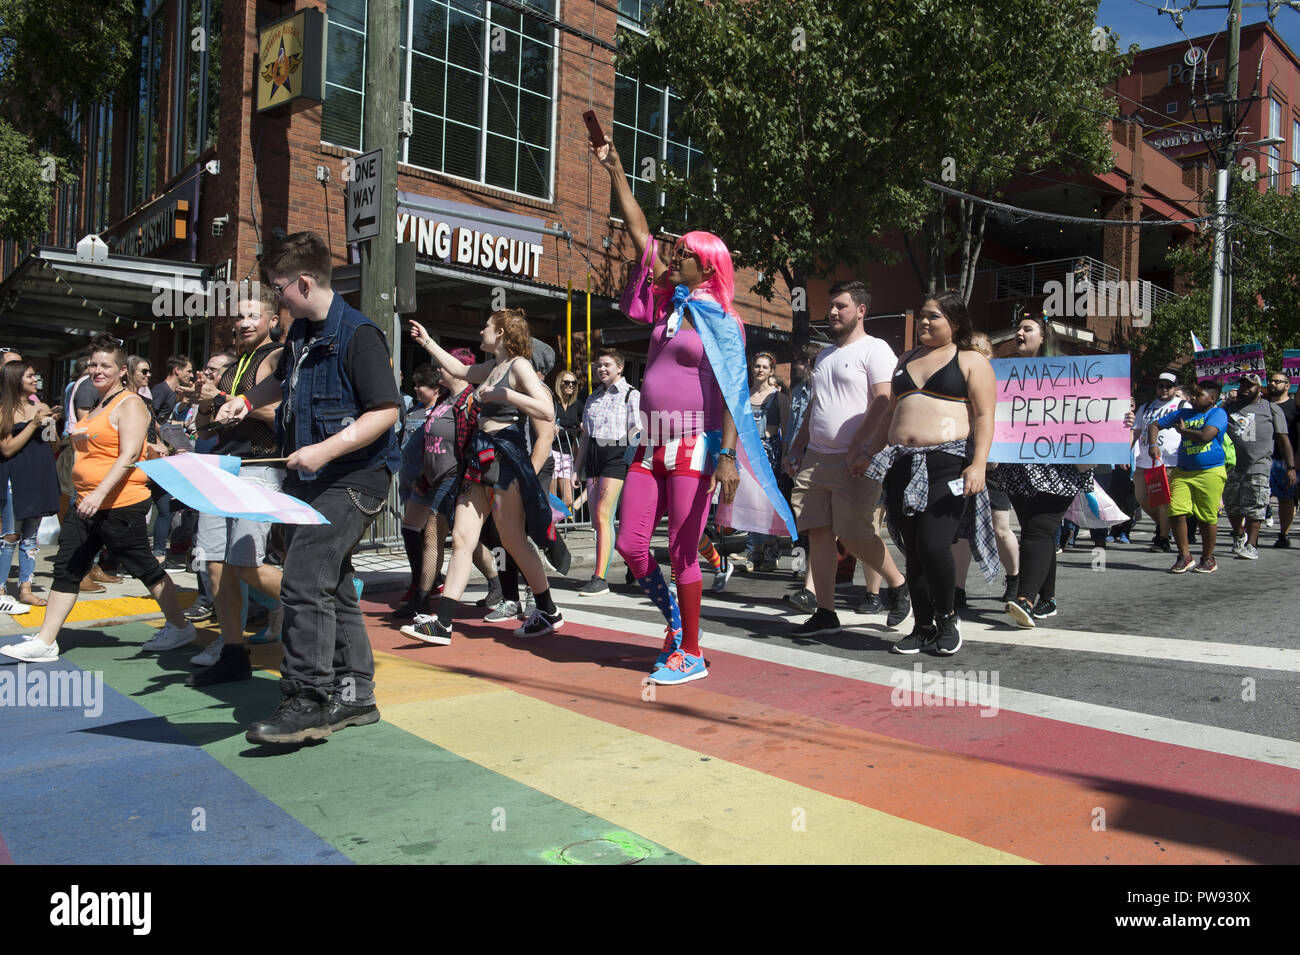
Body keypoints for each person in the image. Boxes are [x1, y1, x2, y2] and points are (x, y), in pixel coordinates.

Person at [594, 134, 792, 685]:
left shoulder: (726, 323)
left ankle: (693, 651)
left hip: (695, 442)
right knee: (632, 545)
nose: (672, 255)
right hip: (651, 438)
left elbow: (733, 391)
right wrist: (615, 170)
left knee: (683, 550)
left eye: (684, 253)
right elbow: (639, 233)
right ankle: (678, 626)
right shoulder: (670, 303)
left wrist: (727, 455)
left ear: (706, 267)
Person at [215, 232, 402, 744]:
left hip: (355, 477)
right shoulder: (299, 333)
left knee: (302, 579)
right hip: (313, 479)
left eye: (279, 289)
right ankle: (356, 695)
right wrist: (246, 400)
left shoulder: (360, 335)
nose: (276, 299)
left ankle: (307, 699)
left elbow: (386, 410)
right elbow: (288, 382)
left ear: (302, 282)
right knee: (332, 581)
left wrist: (325, 449)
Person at [1, 337, 197, 662]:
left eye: (105, 365)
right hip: (88, 503)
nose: (97, 370)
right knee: (68, 567)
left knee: (144, 567)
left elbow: (129, 453)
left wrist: (100, 492)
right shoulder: (99, 405)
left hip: (120, 502)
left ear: (122, 370)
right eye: (93, 364)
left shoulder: (130, 403)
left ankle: (179, 626)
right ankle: (46, 641)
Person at [405, 310, 566, 642]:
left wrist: (505, 395)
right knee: (463, 539)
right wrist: (428, 342)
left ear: (503, 333)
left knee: (513, 541)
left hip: (504, 459)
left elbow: (547, 410)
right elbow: (460, 370)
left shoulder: (519, 366)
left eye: (487, 327)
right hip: (478, 458)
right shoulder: (493, 367)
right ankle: (443, 622)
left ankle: (548, 610)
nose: (481, 331)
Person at [864, 292, 997, 655]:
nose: (924, 322)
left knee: (934, 544)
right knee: (914, 551)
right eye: (922, 316)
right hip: (902, 464)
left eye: (933, 317)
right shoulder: (906, 359)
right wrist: (869, 452)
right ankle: (922, 626)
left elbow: (984, 416)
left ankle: (947, 617)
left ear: (954, 323)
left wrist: (978, 464)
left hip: (947, 465)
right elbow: (890, 412)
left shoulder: (971, 361)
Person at [783, 281, 910, 637]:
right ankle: (825, 611)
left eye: (841, 306)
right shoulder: (824, 355)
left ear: (861, 310)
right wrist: (796, 446)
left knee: (854, 536)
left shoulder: (876, 349)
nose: (833, 312)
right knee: (818, 534)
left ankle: (898, 584)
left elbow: (884, 401)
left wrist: (861, 448)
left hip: (855, 460)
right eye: (831, 306)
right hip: (815, 459)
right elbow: (815, 407)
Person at [186, 290, 286, 686]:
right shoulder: (230, 368)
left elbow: (282, 415)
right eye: (238, 316)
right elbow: (205, 429)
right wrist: (205, 404)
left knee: (246, 563)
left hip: (261, 467)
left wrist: (224, 398)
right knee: (214, 564)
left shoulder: (277, 357)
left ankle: (319, 610)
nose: (242, 322)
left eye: (251, 315)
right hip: (222, 467)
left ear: (272, 321)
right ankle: (232, 653)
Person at [990, 316, 1094, 627]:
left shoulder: (1069, 371)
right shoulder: (1005, 373)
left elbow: (1093, 407)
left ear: (1043, 335)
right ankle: (1047, 599)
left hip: (1059, 466)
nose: (1020, 333)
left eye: (1027, 329)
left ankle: (1024, 598)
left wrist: (1120, 419)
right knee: (1041, 533)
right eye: (1018, 329)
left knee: (1037, 530)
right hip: (1017, 466)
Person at [394, 350, 475, 620]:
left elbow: (469, 443)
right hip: (430, 479)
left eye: (444, 366)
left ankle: (426, 600)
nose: (439, 370)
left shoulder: (467, 402)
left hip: (454, 477)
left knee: (450, 538)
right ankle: (422, 599)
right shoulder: (440, 403)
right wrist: (423, 476)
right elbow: (429, 445)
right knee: (444, 539)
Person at [572, 348, 639, 596]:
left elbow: (638, 434)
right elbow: (586, 437)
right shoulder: (592, 397)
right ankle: (636, 562)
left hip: (617, 456)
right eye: (599, 365)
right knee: (599, 522)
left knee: (603, 516)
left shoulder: (631, 395)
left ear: (619, 367)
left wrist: (635, 466)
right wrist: (575, 469)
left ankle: (599, 578)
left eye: (607, 365)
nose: (601, 369)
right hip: (594, 458)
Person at [1147, 381, 1230, 574]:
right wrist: (1153, 445)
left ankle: (1208, 558)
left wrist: (1183, 432)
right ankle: (1184, 556)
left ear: (1212, 398)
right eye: (1193, 394)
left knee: (1206, 516)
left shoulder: (1217, 414)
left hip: (1210, 471)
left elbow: (1205, 436)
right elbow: (1154, 425)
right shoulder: (1183, 413)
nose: (1193, 397)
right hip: (1183, 471)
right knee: (1175, 511)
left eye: (1199, 394)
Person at [0, 362, 62, 610]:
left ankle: (26, 587)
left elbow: (53, 446)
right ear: (15, 379)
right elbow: (7, 448)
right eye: (29, 376)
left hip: (40, 475)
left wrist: (50, 425)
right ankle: (1, 587)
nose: (35, 379)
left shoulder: (42, 407)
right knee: (10, 535)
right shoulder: (4, 410)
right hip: (15, 477)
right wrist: (33, 425)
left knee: (31, 537)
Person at [1223, 373, 1294, 559]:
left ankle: (1252, 544)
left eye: (1250, 386)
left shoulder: (1271, 409)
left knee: (1256, 505)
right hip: (1232, 466)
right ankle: (1239, 535)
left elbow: (1283, 439)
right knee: (1232, 506)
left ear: (1259, 389)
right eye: (1242, 385)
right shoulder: (1228, 408)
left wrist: (1291, 467)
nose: (1245, 389)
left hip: (1259, 464)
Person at [395, 364, 442, 605]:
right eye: (414, 385)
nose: (416, 389)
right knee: (419, 533)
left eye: (421, 385)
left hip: (425, 482)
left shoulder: (440, 413)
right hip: (409, 479)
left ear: (436, 389)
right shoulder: (412, 411)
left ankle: (420, 584)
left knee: (415, 532)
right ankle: (428, 582)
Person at [1132, 371, 1188, 552]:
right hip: (1145, 461)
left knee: (1164, 501)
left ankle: (1163, 538)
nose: (1164, 389)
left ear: (1175, 388)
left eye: (1168, 386)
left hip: (1169, 460)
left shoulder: (1182, 406)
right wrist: (1123, 452)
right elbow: (1136, 431)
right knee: (1141, 497)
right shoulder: (1146, 407)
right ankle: (1166, 525)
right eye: (1161, 385)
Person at [745, 351, 789, 572]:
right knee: (751, 503)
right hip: (748, 453)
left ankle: (772, 548)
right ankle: (755, 550)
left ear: (771, 371)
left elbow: (787, 430)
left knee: (769, 504)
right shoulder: (744, 396)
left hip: (771, 455)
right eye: (757, 366)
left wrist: (786, 457)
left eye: (764, 367)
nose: (760, 370)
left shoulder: (779, 398)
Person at [1266, 371, 1298, 546]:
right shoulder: (1262, 406)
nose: (1272, 384)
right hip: (1262, 459)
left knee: (1285, 499)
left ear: (1287, 386)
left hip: (1284, 461)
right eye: (1270, 380)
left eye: (1277, 381)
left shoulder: (1294, 408)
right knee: (1256, 498)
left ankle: (1284, 534)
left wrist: (1293, 463)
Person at [552, 369, 584, 515]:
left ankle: (553, 524)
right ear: (560, 383)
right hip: (551, 451)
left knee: (568, 499)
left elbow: (585, 421)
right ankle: (549, 531)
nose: (570, 385)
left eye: (573, 383)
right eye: (566, 382)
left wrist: (584, 427)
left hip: (568, 453)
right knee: (551, 497)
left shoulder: (577, 405)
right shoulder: (552, 401)